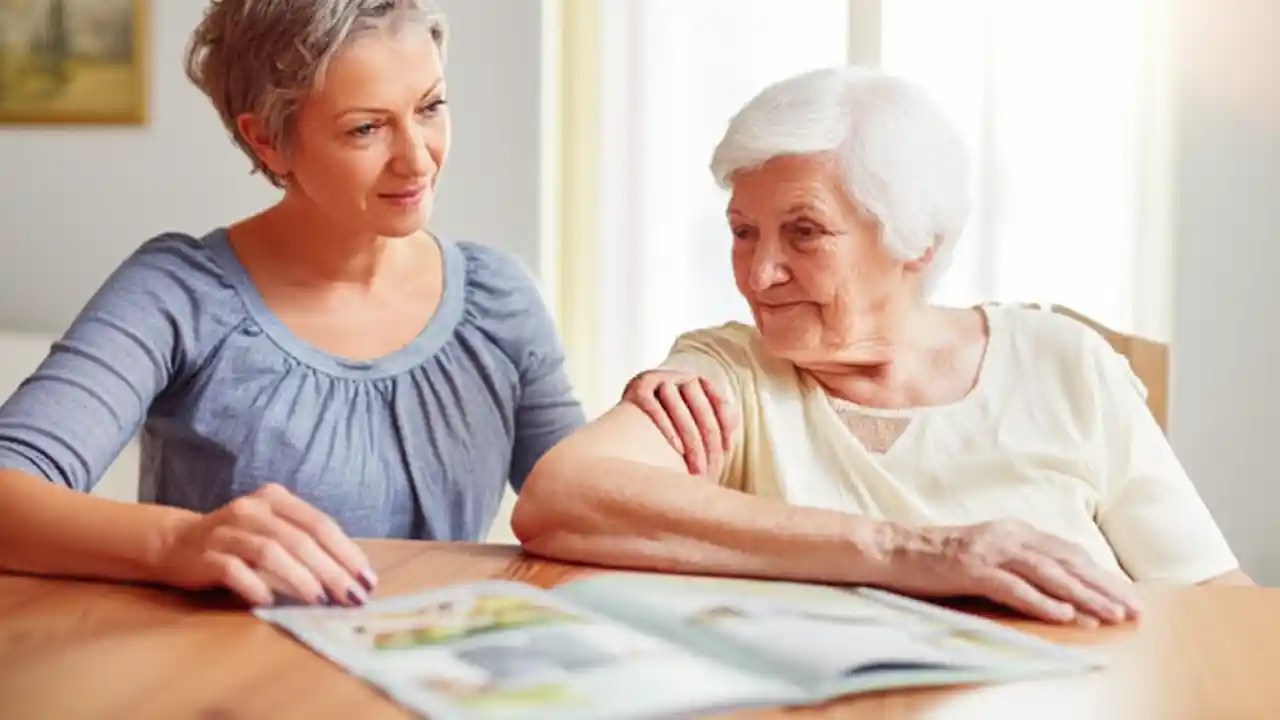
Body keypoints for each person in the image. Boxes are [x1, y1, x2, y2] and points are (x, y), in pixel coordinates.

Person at [0, 0, 729, 610]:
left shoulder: (499, 297)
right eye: (366, 128)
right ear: (269, 140)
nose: (418, 157)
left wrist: (647, 426)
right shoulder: (177, 294)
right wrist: (178, 542)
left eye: (431, 107)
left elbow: (579, 509)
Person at [513, 66, 1253, 627]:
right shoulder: (728, 370)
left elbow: (1218, 608)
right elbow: (559, 497)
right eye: (743, 231)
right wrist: (921, 553)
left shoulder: (1066, 363)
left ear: (916, 241)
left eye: (804, 232)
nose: (759, 273)